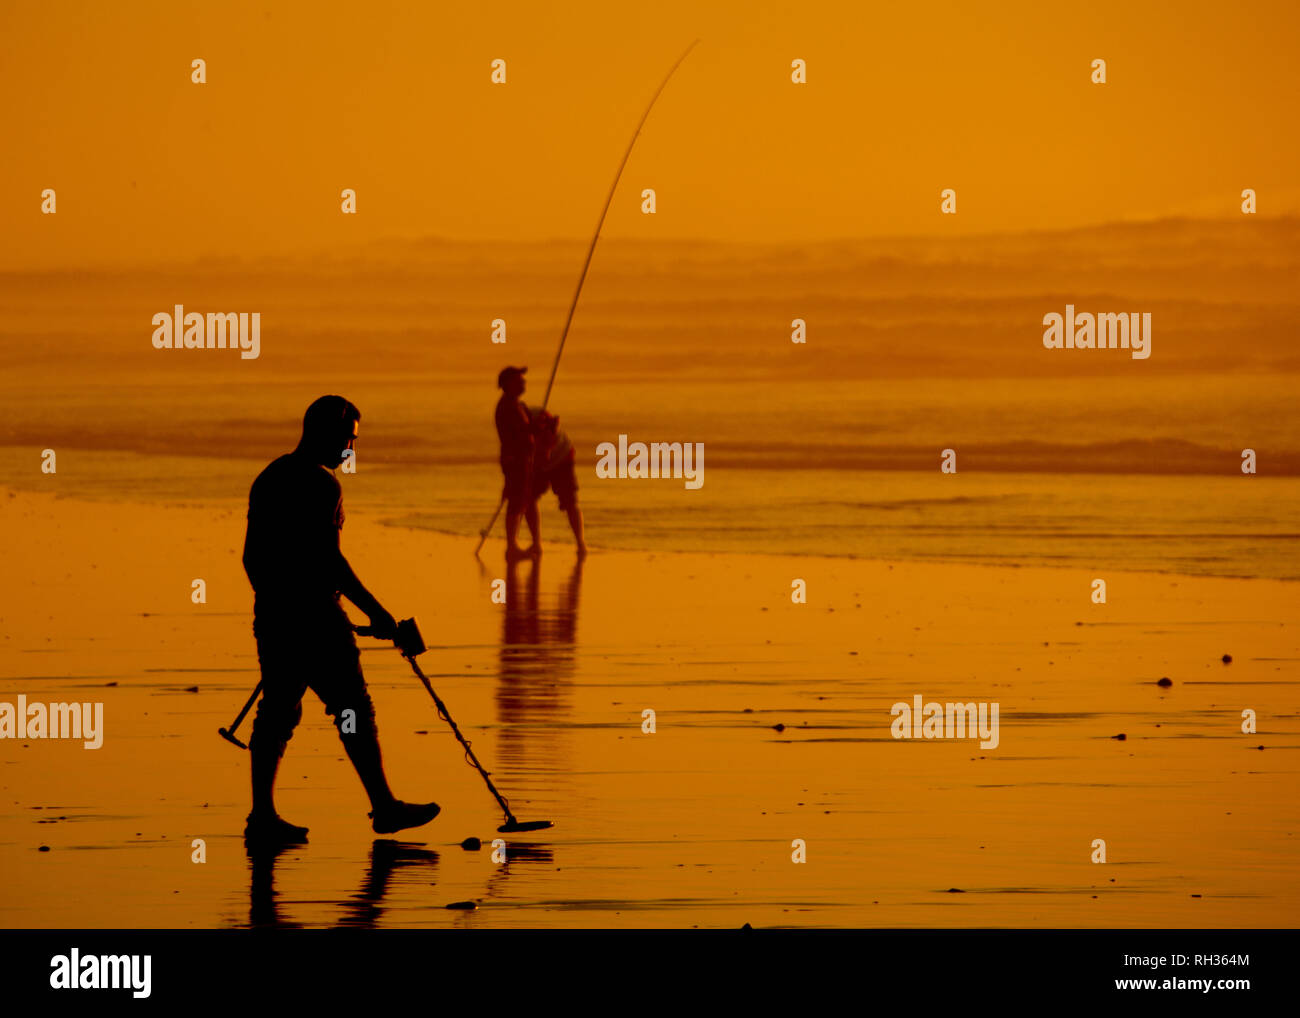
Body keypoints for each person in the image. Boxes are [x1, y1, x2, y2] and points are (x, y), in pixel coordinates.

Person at [240, 394, 441, 844]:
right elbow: (330, 561)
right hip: (316, 619)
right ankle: (384, 805)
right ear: (324, 433)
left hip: (275, 615)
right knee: (351, 707)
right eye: (348, 440)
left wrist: (275, 605)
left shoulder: (270, 477)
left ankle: (262, 816)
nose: (351, 450)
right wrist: (376, 612)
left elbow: (252, 557)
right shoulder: (321, 485)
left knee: (278, 713)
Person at [527, 404, 586, 556]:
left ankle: (580, 544)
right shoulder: (515, 425)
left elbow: (551, 434)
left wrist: (544, 448)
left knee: (570, 501)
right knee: (529, 498)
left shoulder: (541, 418)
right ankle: (536, 544)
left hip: (562, 458)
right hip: (536, 463)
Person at [494, 366, 540, 561]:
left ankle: (536, 542)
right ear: (508, 385)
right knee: (516, 501)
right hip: (515, 461)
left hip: (525, 460)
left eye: (524, 381)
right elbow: (519, 434)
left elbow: (530, 428)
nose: (523, 384)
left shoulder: (519, 406)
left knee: (528, 500)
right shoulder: (506, 407)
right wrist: (534, 428)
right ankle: (512, 546)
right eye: (519, 381)